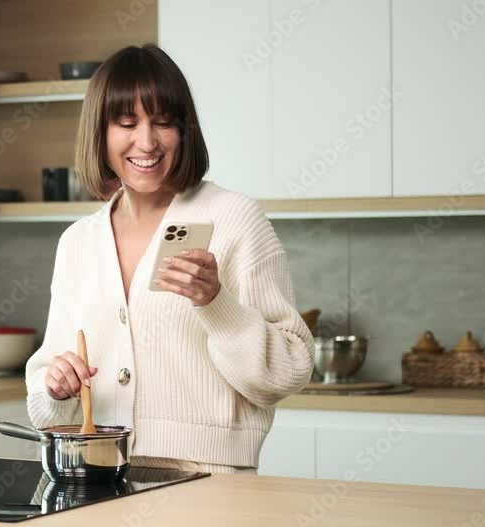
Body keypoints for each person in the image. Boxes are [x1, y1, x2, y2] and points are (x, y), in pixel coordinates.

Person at [23, 44, 314, 474]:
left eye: (163, 122)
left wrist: (216, 303)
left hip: (211, 486)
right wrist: (56, 388)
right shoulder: (78, 242)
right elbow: (46, 396)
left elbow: (288, 370)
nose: (147, 142)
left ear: (185, 131)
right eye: (126, 123)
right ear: (100, 133)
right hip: (96, 478)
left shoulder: (234, 219)